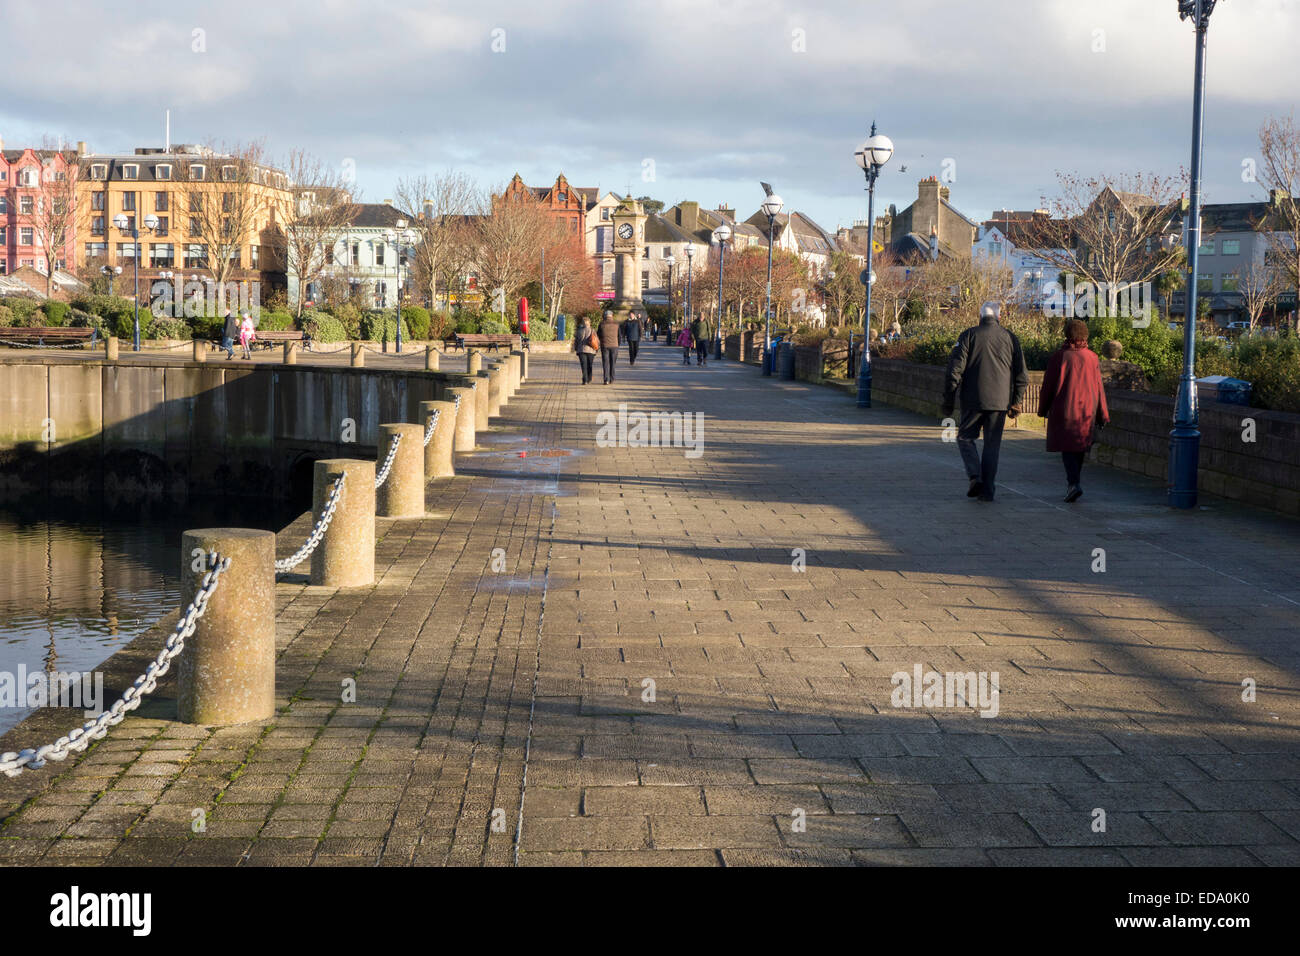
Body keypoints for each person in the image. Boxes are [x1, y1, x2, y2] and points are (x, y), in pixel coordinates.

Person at [941, 301, 1029, 502]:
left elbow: (954, 370)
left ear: (980, 316)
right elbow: (1021, 374)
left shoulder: (968, 336)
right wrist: (1016, 401)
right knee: (992, 446)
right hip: (1000, 401)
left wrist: (949, 398)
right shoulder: (1010, 338)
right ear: (999, 317)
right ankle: (987, 491)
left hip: (973, 399)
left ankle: (975, 475)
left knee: (965, 438)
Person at [1037, 319, 1109, 503]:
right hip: (1087, 409)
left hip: (1064, 408)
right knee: (1079, 446)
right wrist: (1103, 414)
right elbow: (1099, 387)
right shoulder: (1092, 357)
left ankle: (1073, 483)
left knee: (1067, 448)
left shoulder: (1059, 357)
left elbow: (1048, 386)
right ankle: (1074, 482)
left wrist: (1043, 409)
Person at [597, 310, 620, 383]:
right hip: (614, 346)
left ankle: (606, 379)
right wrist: (617, 344)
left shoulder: (601, 324)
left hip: (605, 346)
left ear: (605, 316)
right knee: (613, 363)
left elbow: (598, 335)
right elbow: (619, 336)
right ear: (612, 316)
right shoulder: (616, 324)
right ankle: (612, 379)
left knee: (605, 363)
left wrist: (601, 342)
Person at [572, 314, 596, 384]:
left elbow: (576, 341)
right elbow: (596, 340)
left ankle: (585, 380)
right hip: (591, 350)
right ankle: (589, 378)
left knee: (583, 366)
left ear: (582, 323)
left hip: (581, 350)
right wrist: (596, 349)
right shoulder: (593, 330)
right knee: (590, 365)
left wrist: (576, 349)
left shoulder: (579, 331)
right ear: (590, 323)